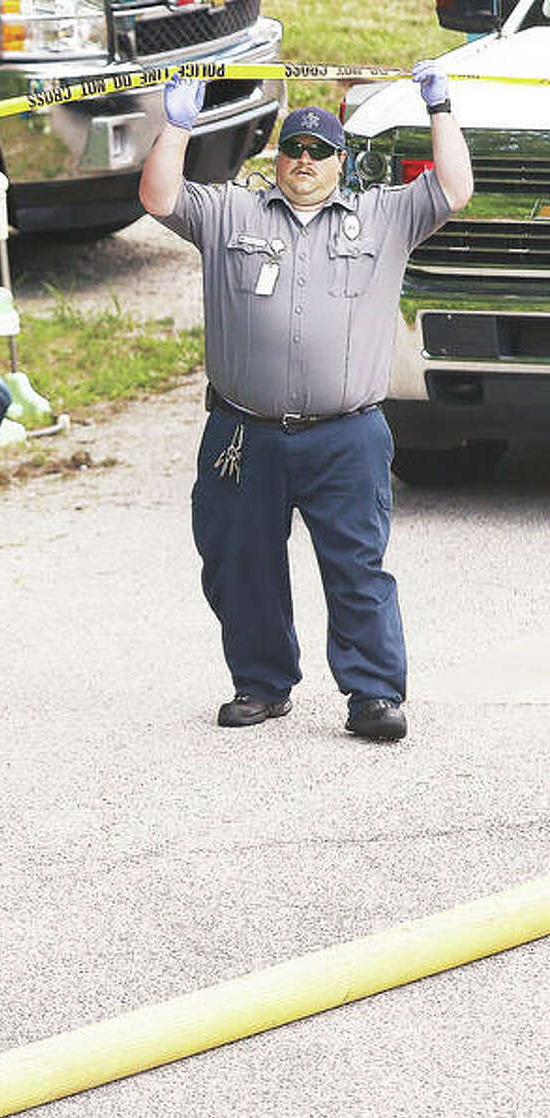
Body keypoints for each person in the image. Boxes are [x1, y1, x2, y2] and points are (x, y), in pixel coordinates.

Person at [139, 62, 473, 742]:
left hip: (346, 435)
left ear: (341, 163)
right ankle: (261, 684)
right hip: (244, 434)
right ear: (279, 157)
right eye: (294, 147)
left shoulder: (385, 215)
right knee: (241, 563)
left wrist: (440, 109)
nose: (304, 160)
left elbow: (454, 188)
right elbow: (158, 196)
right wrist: (176, 123)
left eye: (320, 150)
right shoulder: (230, 210)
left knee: (358, 568)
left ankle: (374, 694)